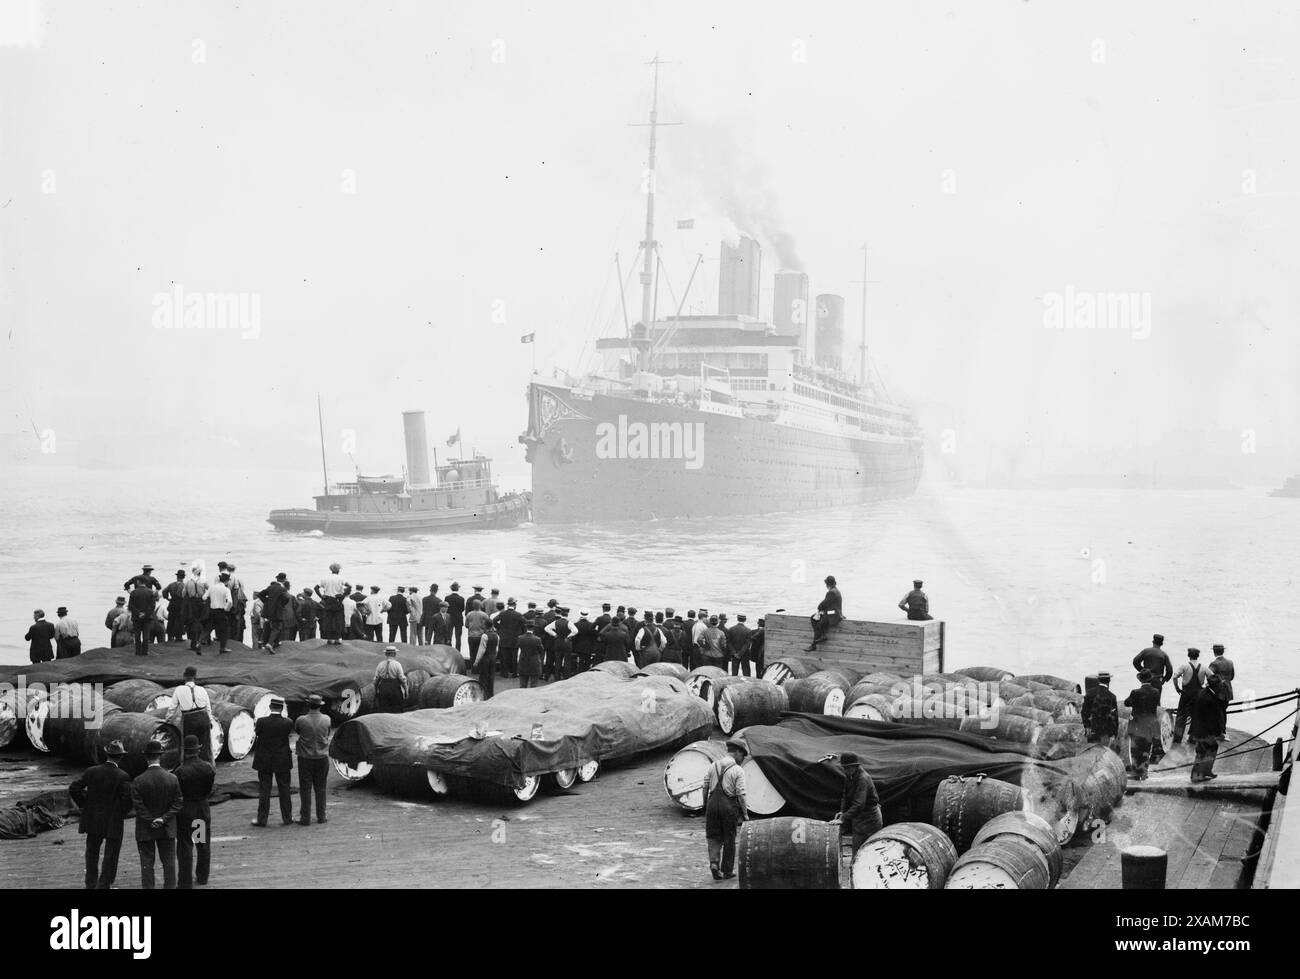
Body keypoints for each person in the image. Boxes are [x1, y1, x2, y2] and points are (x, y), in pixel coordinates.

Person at [68, 739, 133, 889]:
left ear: (106, 754)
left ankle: (90, 883)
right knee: (111, 853)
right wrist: (120, 813)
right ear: (121, 757)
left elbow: (74, 788)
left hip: (93, 818)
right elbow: (127, 800)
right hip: (113, 821)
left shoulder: (91, 771)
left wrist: (85, 805)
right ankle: (104, 884)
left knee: (91, 852)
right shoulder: (123, 776)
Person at [132, 740, 184, 889]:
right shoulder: (172, 778)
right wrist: (164, 818)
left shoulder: (138, 780)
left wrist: (151, 820)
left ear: (146, 758)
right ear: (160, 757)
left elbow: (138, 806)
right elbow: (178, 802)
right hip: (167, 827)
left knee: (147, 863)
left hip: (145, 829)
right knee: (169, 863)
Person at [703, 739, 749, 880]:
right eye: (743, 756)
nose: (742, 759)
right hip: (728, 807)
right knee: (729, 839)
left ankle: (714, 864)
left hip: (712, 806)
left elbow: (705, 787)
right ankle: (727, 871)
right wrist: (745, 814)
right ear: (738, 752)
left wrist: (705, 805)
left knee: (713, 836)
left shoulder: (713, 766)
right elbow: (741, 795)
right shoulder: (737, 770)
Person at [175, 734, 215, 889]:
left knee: (185, 846)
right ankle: (202, 876)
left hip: (186, 811)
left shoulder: (180, 771)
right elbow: (209, 790)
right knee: (202, 844)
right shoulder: (207, 768)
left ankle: (185, 882)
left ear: (185, 751)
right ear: (198, 750)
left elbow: (178, 793)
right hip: (201, 810)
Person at [250, 698, 294, 827]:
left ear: (270, 707)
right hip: (282, 759)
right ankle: (287, 818)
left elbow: (257, 733)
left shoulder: (261, 722)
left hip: (264, 759)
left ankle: (262, 819)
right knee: (284, 789)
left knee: (264, 789)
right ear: (282, 709)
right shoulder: (288, 722)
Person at [294, 695, 331, 825]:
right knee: (321, 788)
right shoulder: (327, 719)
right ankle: (322, 816)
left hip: (305, 758)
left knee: (305, 788)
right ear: (320, 706)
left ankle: (305, 818)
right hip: (322, 758)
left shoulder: (301, 720)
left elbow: (298, 731)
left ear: (308, 705)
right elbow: (327, 733)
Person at [834, 753, 882, 852]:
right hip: (858, 818)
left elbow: (859, 804)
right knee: (857, 849)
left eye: (846, 768)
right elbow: (845, 796)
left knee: (870, 849)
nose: (844, 770)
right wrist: (842, 811)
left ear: (854, 767)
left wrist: (843, 818)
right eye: (844, 768)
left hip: (870, 818)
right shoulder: (849, 776)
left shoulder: (863, 779)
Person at [169, 666, 215, 763]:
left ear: (184, 677)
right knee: (205, 746)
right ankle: (207, 766)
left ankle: (189, 765)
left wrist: (167, 720)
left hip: (189, 718)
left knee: (189, 744)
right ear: (195, 677)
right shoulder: (202, 689)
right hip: (203, 717)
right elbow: (208, 708)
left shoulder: (179, 689)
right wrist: (210, 721)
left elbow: (172, 708)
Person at [1124, 670, 1162, 779]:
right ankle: (1144, 772)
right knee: (1146, 748)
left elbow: (1127, 703)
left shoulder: (1135, 692)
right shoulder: (1156, 691)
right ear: (1150, 679)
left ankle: (1136, 772)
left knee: (1135, 749)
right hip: (1150, 724)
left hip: (1137, 725)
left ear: (1140, 680)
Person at [1190, 673, 1227, 783]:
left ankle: (1204, 772)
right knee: (1205, 750)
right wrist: (1219, 734)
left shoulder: (1202, 692)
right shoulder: (1211, 699)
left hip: (1198, 728)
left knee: (1204, 750)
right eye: (1220, 685)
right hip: (1204, 731)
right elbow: (1214, 720)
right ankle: (1198, 774)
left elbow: (1190, 705)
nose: (1221, 686)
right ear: (1215, 686)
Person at [1172, 649, 1207, 745]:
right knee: (1196, 716)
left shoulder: (1185, 666)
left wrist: (1177, 688)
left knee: (1181, 716)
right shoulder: (1203, 667)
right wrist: (1205, 689)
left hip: (1186, 694)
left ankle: (1177, 739)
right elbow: (1212, 677)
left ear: (1188, 655)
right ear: (1198, 656)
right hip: (1198, 695)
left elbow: (1174, 677)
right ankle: (1193, 738)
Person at [1080, 671, 1119, 750]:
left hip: (1092, 729)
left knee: (1092, 752)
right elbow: (1114, 717)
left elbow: (1084, 712)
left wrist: (1087, 726)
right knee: (1103, 754)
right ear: (1109, 681)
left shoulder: (1089, 693)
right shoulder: (1112, 696)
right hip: (1106, 732)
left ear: (1098, 680)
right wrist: (1114, 733)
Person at [314, 562, 347, 645]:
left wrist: (321, 597)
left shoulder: (325, 578)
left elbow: (316, 588)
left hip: (328, 600)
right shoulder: (341, 578)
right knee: (338, 620)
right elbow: (348, 587)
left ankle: (330, 638)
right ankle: (338, 638)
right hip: (337, 600)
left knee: (328, 620)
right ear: (338, 570)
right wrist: (342, 596)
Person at [808, 575, 843, 650]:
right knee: (814, 618)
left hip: (832, 615)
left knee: (816, 623)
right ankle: (821, 636)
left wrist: (819, 608)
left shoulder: (831, 593)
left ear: (827, 584)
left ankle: (817, 642)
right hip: (833, 613)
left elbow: (824, 603)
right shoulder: (836, 590)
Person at [495, 598, 527, 677]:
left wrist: (500, 629)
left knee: (504, 657)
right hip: (515, 639)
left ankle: (504, 673)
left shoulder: (502, 614)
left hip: (504, 638)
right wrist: (521, 633)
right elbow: (525, 624)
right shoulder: (518, 615)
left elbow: (494, 621)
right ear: (514, 605)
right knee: (514, 657)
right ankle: (514, 673)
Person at [181, 565, 208, 651]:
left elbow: (183, 594)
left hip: (191, 603)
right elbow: (210, 591)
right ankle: (203, 640)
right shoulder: (203, 581)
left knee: (192, 622)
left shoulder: (188, 582)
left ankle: (193, 642)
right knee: (203, 621)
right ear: (199, 573)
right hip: (201, 602)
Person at [127, 579, 157, 657]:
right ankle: (145, 651)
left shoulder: (134, 592)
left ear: (138, 582)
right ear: (146, 583)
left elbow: (131, 605)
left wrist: (138, 613)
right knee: (146, 635)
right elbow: (152, 606)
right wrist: (145, 613)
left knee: (137, 634)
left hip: (136, 617)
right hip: (147, 617)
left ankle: (137, 651)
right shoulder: (151, 592)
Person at [373, 646, 408, 713]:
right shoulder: (397, 664)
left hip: (383, 688)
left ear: (386, 654)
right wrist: (406, 690)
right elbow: (402, 679)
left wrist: (376, 690)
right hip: (394, 688)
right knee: (396, 709)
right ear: (394, 654)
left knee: (384, 709)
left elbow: (376, 680)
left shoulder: (380, 664)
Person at [206, 572, 234, 654]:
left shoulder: (212, 587)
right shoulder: (226, 589)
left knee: (208, 628)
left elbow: (204, 597)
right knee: (224, 630)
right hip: (221, 611)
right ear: (227, 581)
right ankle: (222, 648)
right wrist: (226, 609)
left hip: (212, 610)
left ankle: (198, 642)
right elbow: (230, 602)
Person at [1209, 644, 1235, 731]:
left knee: (1217, 711)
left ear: (1214, 652)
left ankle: (1218, 731)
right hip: (1228, 691)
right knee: (1223, 711)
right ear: (1223, 651)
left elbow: (1209, 678)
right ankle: (1222, 730)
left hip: (1218, 692)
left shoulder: (1214, 663)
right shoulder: (1230, 662)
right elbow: (1232, 677)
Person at [477, 616, 500, 698]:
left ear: (485, 626)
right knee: (491, 676)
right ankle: (490, 694)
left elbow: (481, 650)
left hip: (485, 658)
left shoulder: (484, 636)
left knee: (483, 677)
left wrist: (476, 661)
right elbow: (497, 648)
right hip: (493, 657)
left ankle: (483, 694)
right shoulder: (497, 635)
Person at [161, 570, 187, 640]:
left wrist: (167, 598)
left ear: (177, 577)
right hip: (180, 604)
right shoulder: (184, 585)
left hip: (172, 603)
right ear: (183, 577)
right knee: (180, 620)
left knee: (171, 619)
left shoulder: (171, 584)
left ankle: (170, 636)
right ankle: (179, 636)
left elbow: (164, 591)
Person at [517, 623, 545, 688]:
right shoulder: (537, 639)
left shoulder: (520, 638)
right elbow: (541, 651)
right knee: (534, 685)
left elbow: (519, 647)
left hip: (523, 661)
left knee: (523, 685)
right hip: (534, 662)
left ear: (526, 628)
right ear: (533, 629)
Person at [465, 600, 490, 669]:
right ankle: (479, 668)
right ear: (480, 606)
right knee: (480, 653)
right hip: (480, 636)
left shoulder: (469, 614)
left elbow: (466, 625)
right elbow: (488, 625)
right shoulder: (484, 615)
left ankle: (473, 669)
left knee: (472, 652)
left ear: (473, 606)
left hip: (471, 636)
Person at [572, 609, 599, 673]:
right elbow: (594, 636)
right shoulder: (591, 625)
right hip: (589, 646)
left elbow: (574, 637)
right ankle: (586, 673)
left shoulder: (576, 624)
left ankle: (579, 672)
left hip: (578, 646)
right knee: (588, 660)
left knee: (581, 660)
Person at [446, 582, 466, 651]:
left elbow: (446, 609)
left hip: (449, 618)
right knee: (458, 637)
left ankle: (449, 650)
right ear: (458, 589)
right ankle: (458, 651)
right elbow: (462, 609)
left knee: (449, 636)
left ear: (451, 588)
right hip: (458, 619)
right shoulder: (461, 598)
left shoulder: (447, 598)